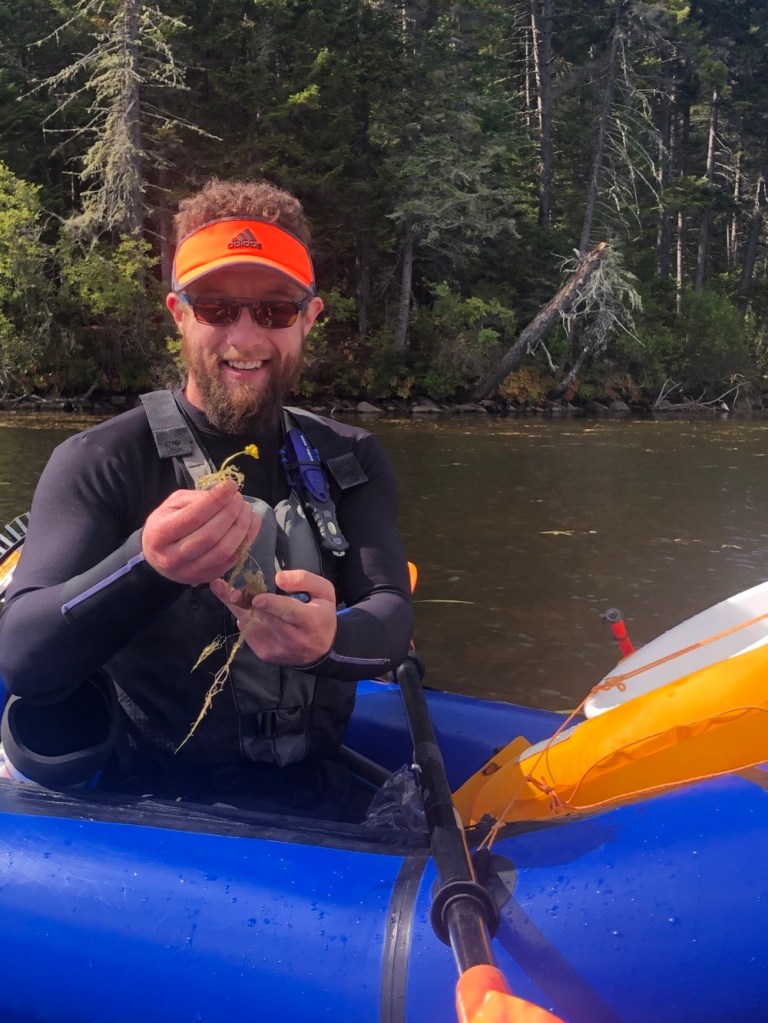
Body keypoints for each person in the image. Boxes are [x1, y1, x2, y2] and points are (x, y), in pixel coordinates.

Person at [0, 178, 413, 821]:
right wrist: (146, 564)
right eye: (217, 307)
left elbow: (390, 615)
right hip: (145, 808)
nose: (245, 338)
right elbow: (22, 658)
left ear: (310, 317)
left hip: (313, 794)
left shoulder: (350, 458)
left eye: (275, 309)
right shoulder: (101, 460)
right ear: (179, 314)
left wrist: (328, 643)